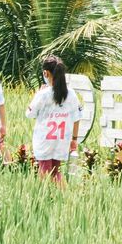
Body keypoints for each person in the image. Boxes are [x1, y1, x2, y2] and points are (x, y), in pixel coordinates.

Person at [26, 55, 82, 183]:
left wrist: (37, 94)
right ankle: (63, 198)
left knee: (44, 172)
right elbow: (77, 117)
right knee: (56, 171)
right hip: (62, 140)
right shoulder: (71, 94)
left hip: (45, 140)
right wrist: (74, 139)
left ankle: (44, 199)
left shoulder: (43, 94)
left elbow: (29, 114)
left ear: (46, 73)